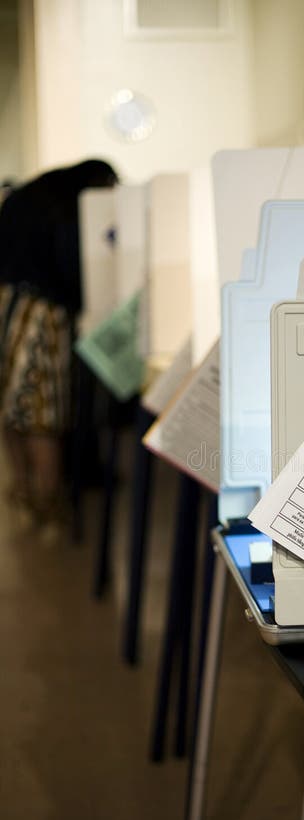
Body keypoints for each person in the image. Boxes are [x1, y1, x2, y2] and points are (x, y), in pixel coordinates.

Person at [0, 159, 118, 537]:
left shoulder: (24, 198)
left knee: (11, 410)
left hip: (7, 306)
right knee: (42, 415)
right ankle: (49, 503)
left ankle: (22, 491)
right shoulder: (68, 209)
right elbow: (72, 272)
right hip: (42, 316)